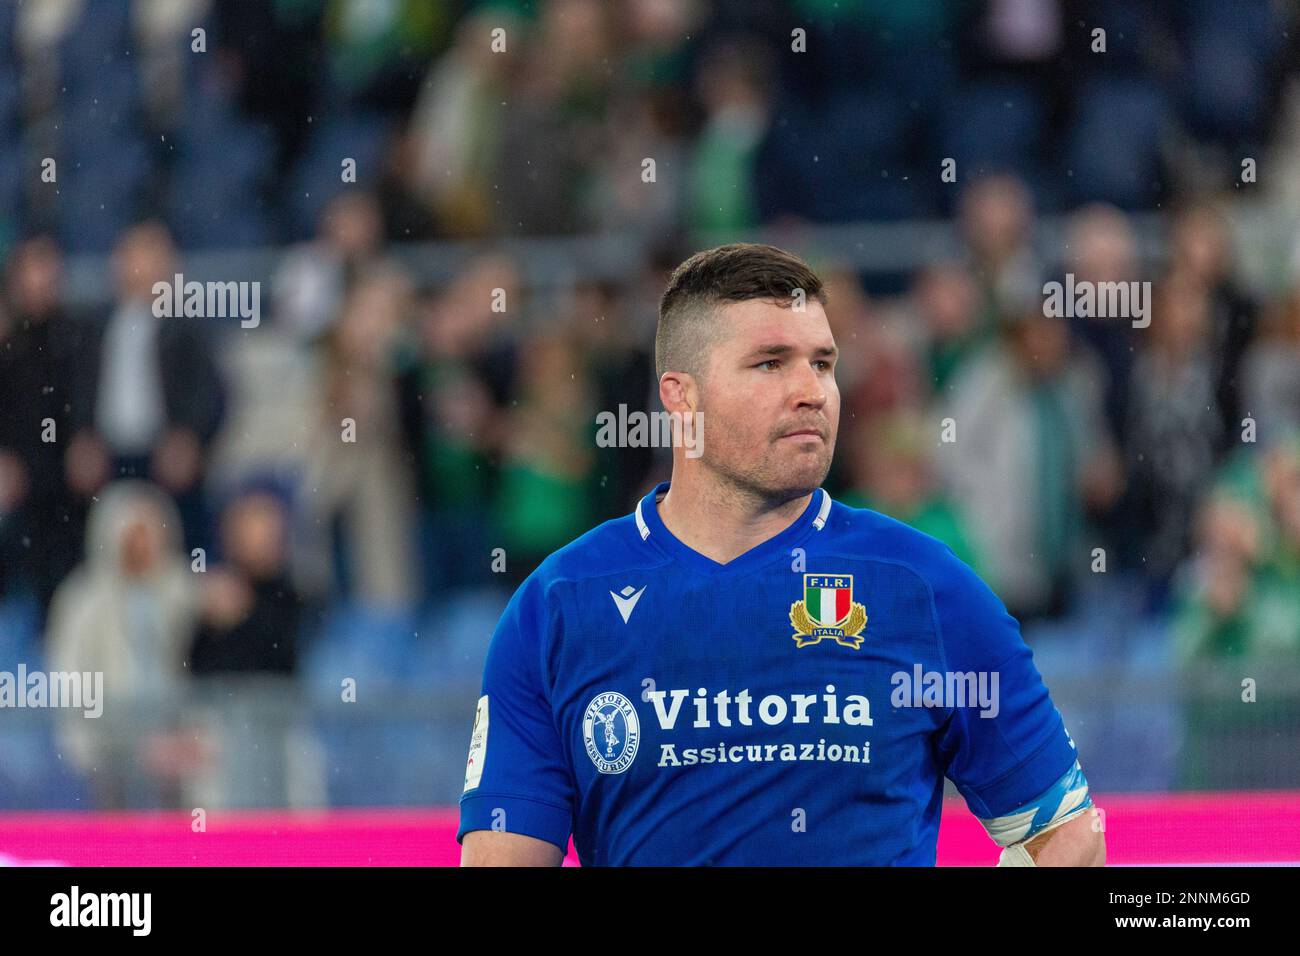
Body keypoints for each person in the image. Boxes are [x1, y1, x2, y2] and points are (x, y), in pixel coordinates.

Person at [458, 243, 1104, 866]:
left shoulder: (922, 587)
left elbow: (1068, 836)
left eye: (822, 363)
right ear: (680, 397)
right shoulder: (558, 607)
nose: (812, 391)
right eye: (771, 363)